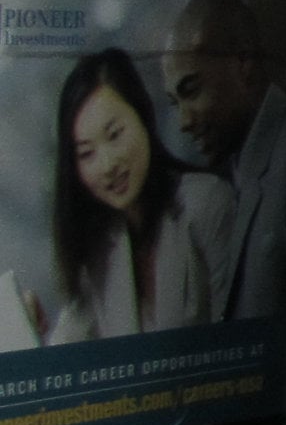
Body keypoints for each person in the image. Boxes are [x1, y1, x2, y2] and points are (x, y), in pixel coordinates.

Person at [47, 49, 233, 343]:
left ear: (144, 117)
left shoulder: (206, 203)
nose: (108, 165)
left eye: (115, 134)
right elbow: (62, 350)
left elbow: (242, 335)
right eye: (87, 153)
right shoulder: (97, 250)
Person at [162, 0, 286, 321]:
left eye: (191, 90)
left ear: (243, 63)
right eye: (174, 104)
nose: (183, 122)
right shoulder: (225, 178)